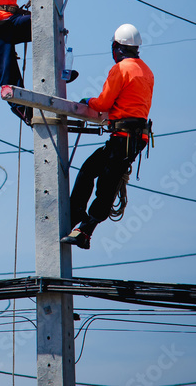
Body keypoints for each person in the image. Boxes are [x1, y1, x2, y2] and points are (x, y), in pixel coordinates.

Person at [62, 23, 154, 249]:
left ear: (118, 48)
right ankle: (83, 226)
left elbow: (103, 103)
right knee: (105, 181)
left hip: (122, 138)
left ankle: (80, 223)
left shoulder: (121, 69)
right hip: (135, 140)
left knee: (94, 176)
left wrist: (87, 102)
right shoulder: (147, 71)